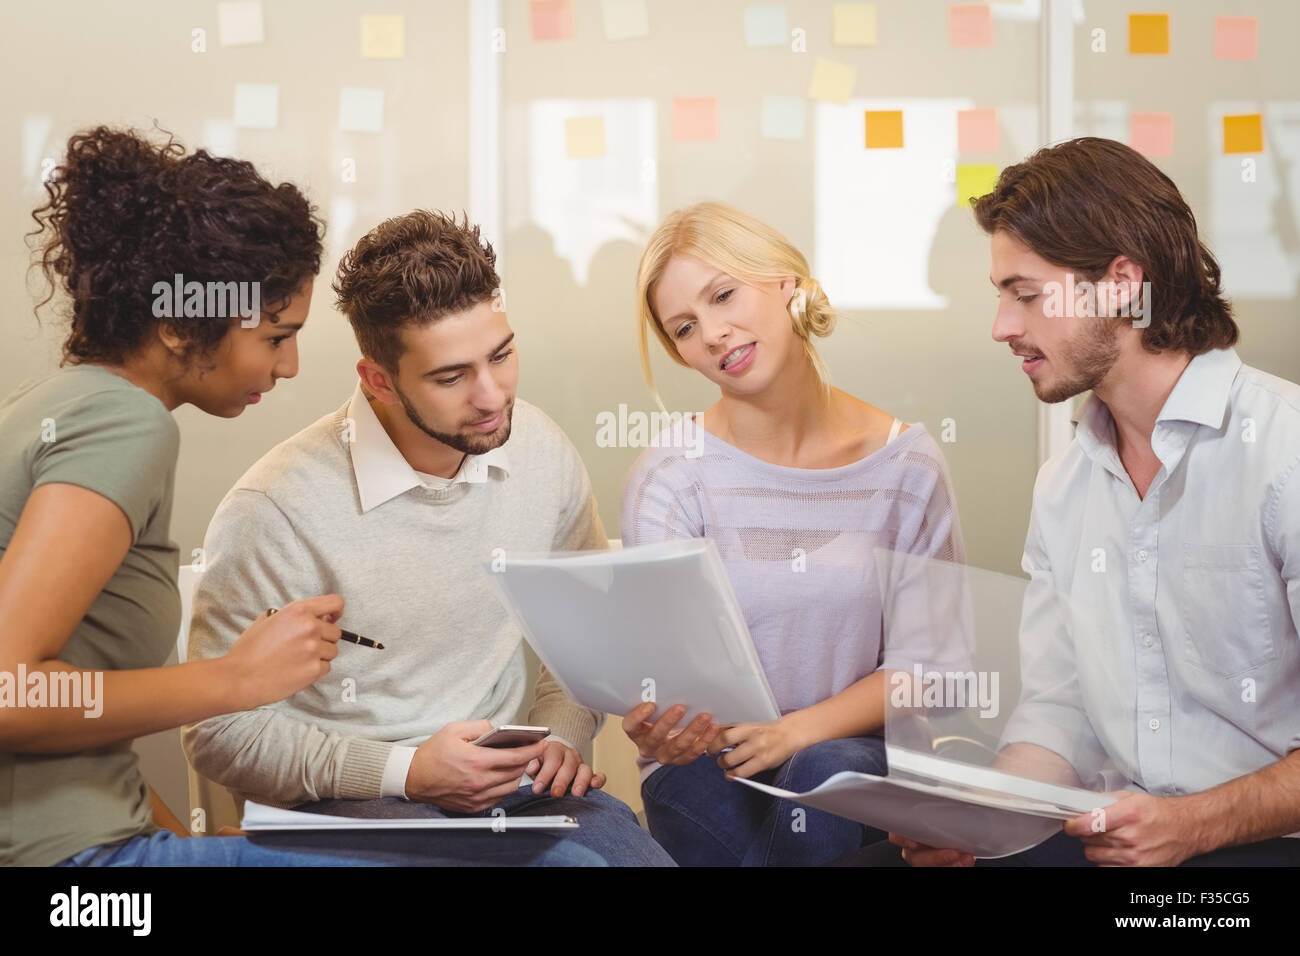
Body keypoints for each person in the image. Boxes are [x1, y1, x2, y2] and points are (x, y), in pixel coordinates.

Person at [180, 209, 674, 867]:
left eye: (501, 355)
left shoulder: (540, 450)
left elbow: (584, 639)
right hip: (346, 807)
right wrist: (405, 771)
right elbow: (218, 735)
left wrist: (560, 739)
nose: (493, 395)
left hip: (513, 789)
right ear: (378, 380)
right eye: (451, 377)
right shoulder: (276, 508)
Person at [879, 137, 1300, 867]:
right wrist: (982, 825)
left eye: (1027, 294)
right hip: (1116, 843)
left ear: (1120, 284)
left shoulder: (1283, 456)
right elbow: (1059, 716)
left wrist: (1196, 824)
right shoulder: (1065, 487)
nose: (1002, 326)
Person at [0, 125, 412, 868]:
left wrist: (183, 847)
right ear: (179, 323)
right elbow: (7, 692)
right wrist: (234, 679)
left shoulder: (51, 401)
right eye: (276, 335)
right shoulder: (124, 421)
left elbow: (81, 757)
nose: (288, 366)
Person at [618, 201, 965, 865]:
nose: (713, 334)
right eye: (685, 328)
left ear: (787, 284)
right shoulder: (670, 476)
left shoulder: (907, 464)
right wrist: (661, 722)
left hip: (855, 756)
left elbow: (936, 670)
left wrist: (794, 733)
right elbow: (665, 670)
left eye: (724, 296)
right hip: (708, 768)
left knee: (821, 768)